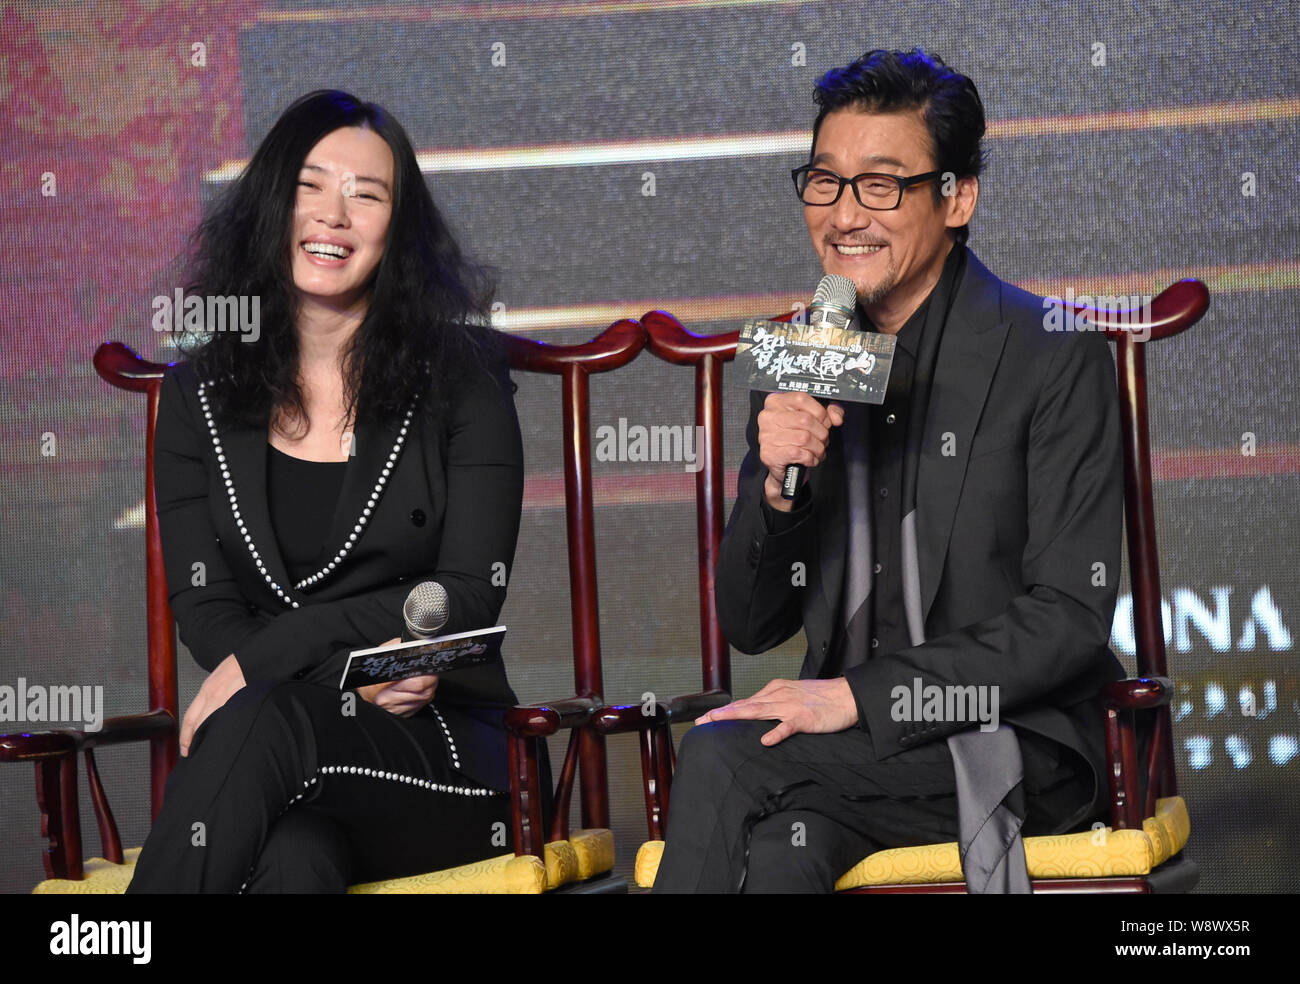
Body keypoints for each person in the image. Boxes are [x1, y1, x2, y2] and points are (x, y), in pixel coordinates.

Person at [653, 50, 1127, 893]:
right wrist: (774, 489)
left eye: (881, 185)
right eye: (824, 182)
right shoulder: (803, 348)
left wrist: (860, 698)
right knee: (780, 854)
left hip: (1009, 737)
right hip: (855, 758)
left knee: (725, 757)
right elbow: (749, 623)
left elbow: (1068, 618)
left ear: (958, 196)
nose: (844, 215)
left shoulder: (1053, 351)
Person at [127, 90, 527, 892]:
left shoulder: (462, 381)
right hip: (287, 756)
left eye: (365, 195)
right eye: (310, 186)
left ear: (397, 228)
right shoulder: (196, 395)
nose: (333, 216)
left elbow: (464, 597)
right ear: (273, 203)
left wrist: (261, 666)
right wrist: (331, 671)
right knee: (294, 859)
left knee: (264, 721)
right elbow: (206, 610)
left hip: (437, 750)